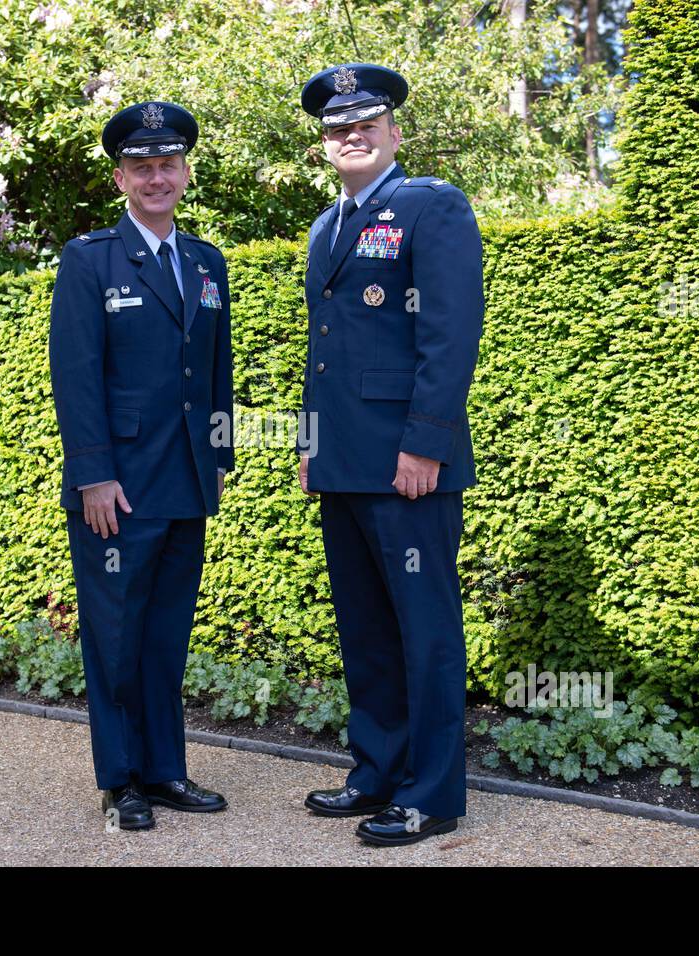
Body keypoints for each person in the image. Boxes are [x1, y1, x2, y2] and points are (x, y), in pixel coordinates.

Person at [295, 64, 485, 846]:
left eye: (366, 124)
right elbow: (322, 353)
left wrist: (425, 445)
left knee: (424, 628)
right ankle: (375, 772)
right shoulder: (325, 226)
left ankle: (433, 792)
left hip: (407, 463)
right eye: (339, 129)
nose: (353, 136)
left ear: (394, 132)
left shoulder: (430, 206)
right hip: (341, 461)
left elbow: (451, 333)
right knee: (366, 628)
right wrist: (309, 447)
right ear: (325, 144)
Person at [48, 101, 234, 831]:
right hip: (118, 488)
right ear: (121, 176)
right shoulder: (90, 259)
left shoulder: (205, 262)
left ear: (185, 172)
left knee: (166, 634)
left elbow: (216, 370)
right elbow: (76, 374)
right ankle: (122, 779)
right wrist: (93, 474)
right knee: (117, 635)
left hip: (185, 480)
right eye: (142, 166)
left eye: (168, 164)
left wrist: (217, 454)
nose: (156, 177)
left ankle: (166, 771)